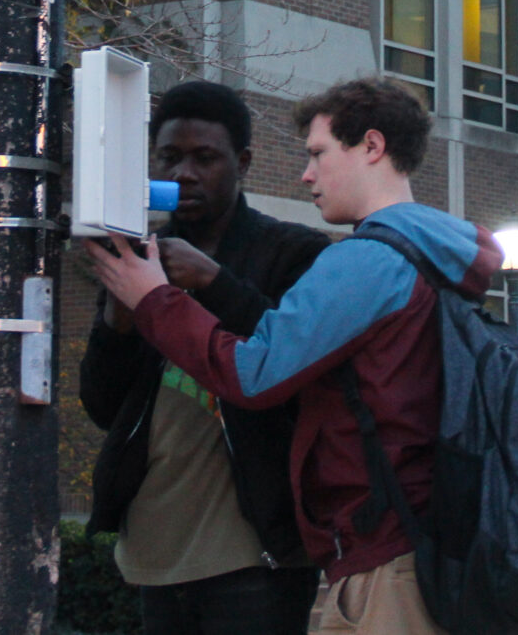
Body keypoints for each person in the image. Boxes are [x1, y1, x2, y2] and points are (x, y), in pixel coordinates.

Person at [88, 77, 502, 635]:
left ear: (373, 147)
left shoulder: (365, 262)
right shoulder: (432, 248)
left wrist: (155, 298)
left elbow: (256, 373)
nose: (306, 174)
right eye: (169, 157)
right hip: (401, 543)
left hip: (382, 551)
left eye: (317, 154)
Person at [79, 80, 330, 635]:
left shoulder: (295, 252)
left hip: (257, 552)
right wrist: (120, 316)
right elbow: (103, 408)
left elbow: (299, 367)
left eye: (204, 158)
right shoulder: (138, 257)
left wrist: (214, 282)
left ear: (242, 162)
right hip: (157, 545)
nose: (184, 174)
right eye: (169, 158)